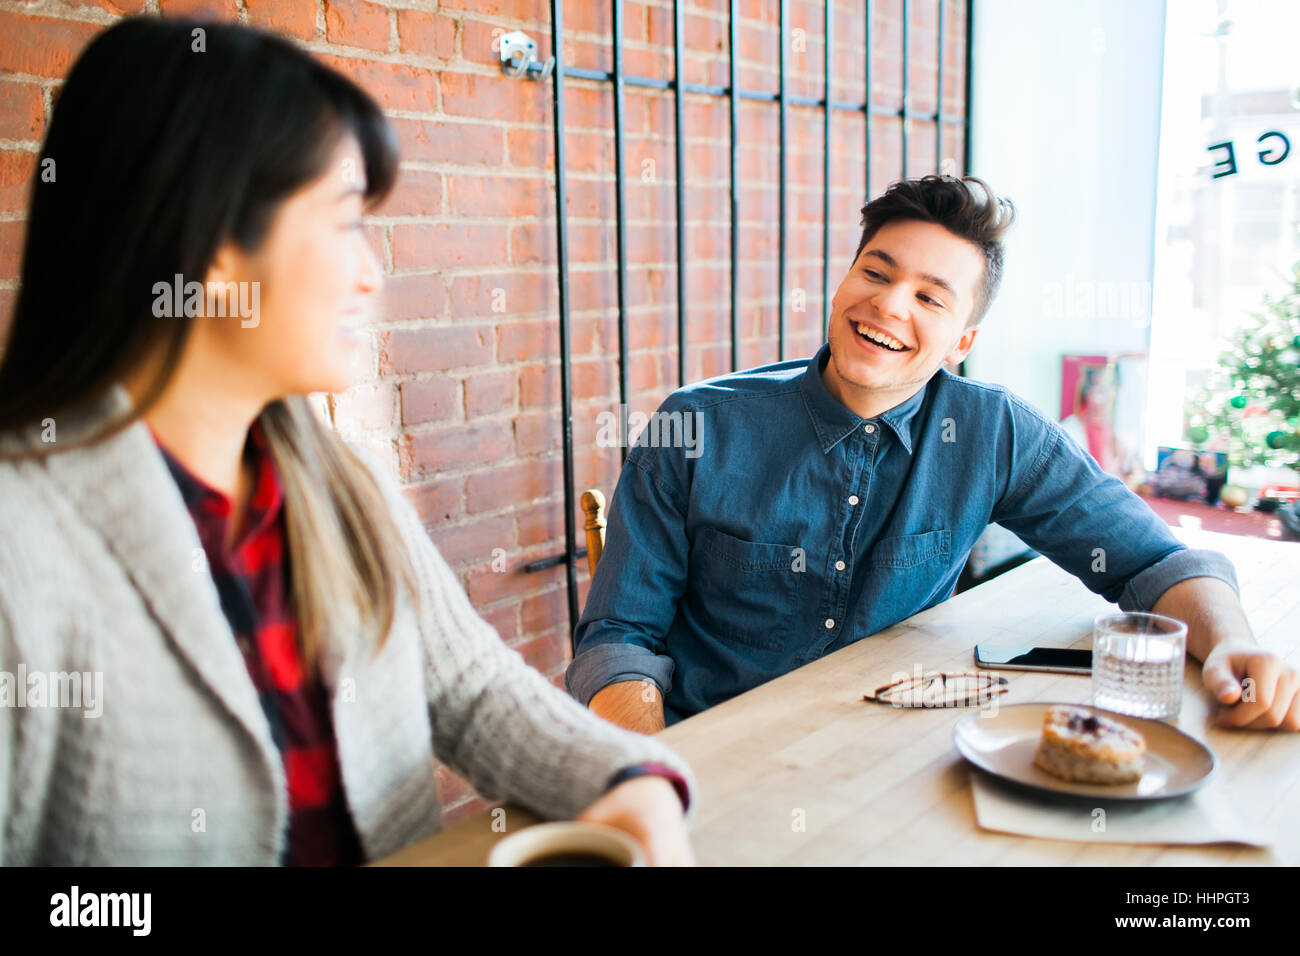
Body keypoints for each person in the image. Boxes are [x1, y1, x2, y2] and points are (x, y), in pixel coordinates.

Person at [0, 16, 695, 866]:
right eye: (344, 222)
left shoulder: (336, 477)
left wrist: (630, 777)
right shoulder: (23, 540)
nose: (373, 272)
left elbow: (472, 690)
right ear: (211, 245)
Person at [567, 175, 1300, 734]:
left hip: (896, 751)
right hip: (714, 749)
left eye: (931, 297)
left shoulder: (993, 433)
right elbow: (619, 637)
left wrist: (1233, 642)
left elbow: (1151, 562)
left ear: (964, 340)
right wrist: (661, 767)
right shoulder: (698, 425)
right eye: (877, 274)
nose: (889, 307)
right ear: (846, 278)